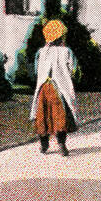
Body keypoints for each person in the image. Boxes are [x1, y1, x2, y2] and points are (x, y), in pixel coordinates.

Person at [30, 19, 78, 156]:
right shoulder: (66, 51)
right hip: (59, 88)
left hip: (43, 88)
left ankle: (44, 145)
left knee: (43, 115)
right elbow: (73, 70)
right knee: (60, 115)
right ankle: (61, 144)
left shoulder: (41, 52)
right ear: (60, 36)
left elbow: (35, 70)